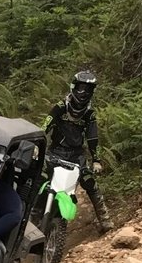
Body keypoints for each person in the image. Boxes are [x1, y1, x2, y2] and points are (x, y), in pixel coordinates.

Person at [43, 69, 112, 233]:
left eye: (88, 90)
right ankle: (28, 211)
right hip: (55, 152)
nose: (83, 92)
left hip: (76, 156)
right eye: (81, 88)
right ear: (73, 87)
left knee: (89, 181)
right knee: (39, 177)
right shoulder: (60, 107)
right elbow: (44, 127)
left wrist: (96, 159)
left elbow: (92, 137)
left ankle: (105, 219)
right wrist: (36, 145)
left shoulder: (89, 113)